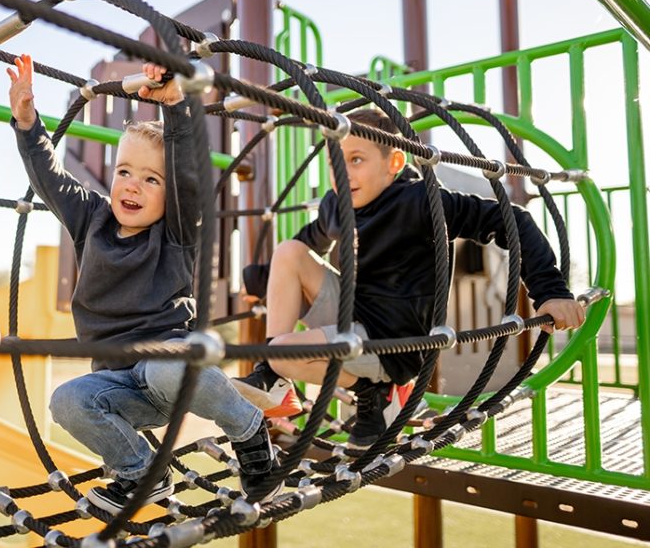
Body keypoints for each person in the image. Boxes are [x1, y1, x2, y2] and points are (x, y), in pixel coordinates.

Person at [7, 55, 279, 515]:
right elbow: (49, 178)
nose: (132, 186)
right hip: (120, 384)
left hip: (173, 370)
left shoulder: (175, 232)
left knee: (165, 366)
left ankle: (249, 430)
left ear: (169, 193)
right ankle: (141, 474)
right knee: (67, 401)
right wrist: (28, 122)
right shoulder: (90, 218)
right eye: (125, 172)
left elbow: (189, 177)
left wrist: (175, 105)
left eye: (151, 179)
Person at [234, 108, 586, 448]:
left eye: (356, 160)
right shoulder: (334, 205)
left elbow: (512, 220)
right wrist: (259, 282)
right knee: (288, 250)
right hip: (353, 314)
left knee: (283, 351)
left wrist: (550, 290)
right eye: (334, 162)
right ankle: (273, 377)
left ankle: (376, 392)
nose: (343, 172)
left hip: (396, 342)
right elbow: (307, 247)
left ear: (394, 164)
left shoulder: (421, 202)